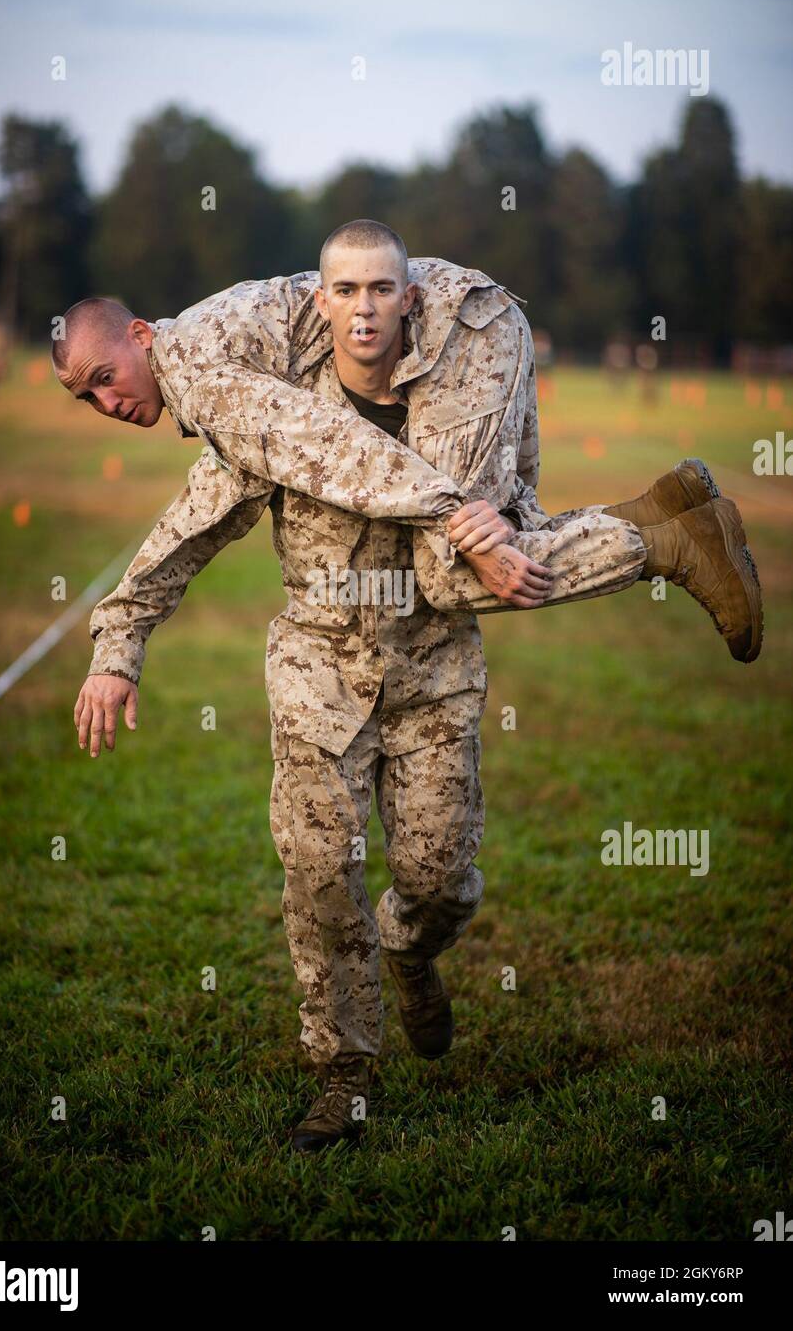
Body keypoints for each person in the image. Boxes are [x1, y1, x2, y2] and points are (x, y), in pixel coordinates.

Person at [53, 221, 762, 1153]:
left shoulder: (264, 376)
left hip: (432, 673)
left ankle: (411, 952)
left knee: (438, 885)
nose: (103, 403)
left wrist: (465, 523)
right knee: (319, 877)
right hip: (318, 673)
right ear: (325, 309)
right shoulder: (255, 407)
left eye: (104, 376)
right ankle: (341, 1077)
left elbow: (372, 462)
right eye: (83, 395)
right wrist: (117, 643)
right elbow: (194, 521)